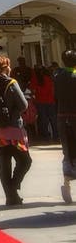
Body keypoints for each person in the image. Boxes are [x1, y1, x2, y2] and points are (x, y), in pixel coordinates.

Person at [0, 54, 32, 206]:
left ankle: (11, 197)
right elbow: (23, 105)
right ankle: (13, 187)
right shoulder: (11, 82)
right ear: (5, 67)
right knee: (25, 161)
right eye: (8, 65)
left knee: (4, 162)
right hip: (13, 129)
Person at [54, 49, 76, 205]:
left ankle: (67, 183)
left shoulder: (57, 76)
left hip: (62, 116)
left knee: (67, 150)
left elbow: (55, 96)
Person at [30, 66, 58, 141]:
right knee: (53, 118)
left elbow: (33, 91)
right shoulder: (49, 78)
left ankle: (46, 135)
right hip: (51, 101)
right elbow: (53, 89)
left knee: (43, 119)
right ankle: (56, 134)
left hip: (40, 102)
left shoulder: (34, 79)